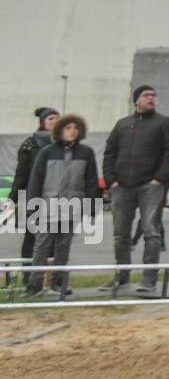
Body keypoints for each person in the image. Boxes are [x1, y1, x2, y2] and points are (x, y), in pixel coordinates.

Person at [101, 86, 169, 296]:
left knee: (151, 231)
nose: (151, 98)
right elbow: (109, 152)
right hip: (122, 186)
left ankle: (149, 279)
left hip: (150, 186)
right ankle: (122, 275)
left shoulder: (164, 123)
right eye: (146, 95)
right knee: (120, 234)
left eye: (154, 95)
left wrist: (159, 179)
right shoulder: (122, 124)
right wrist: (111, 180)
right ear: (136, 100)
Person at [25, 114, 99, 297]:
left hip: (73, 207)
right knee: (42, 245)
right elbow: (36, 180)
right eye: (68, 128)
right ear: (59, 130)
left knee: (63, 247)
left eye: (76, 128)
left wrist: (92, 207)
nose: (72, 131)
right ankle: (34, 285)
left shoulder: (86, 153)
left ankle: (57, 283)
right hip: (48, 206)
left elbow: (91, 181)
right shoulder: (47, 152)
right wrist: (32, 206)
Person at [1, 106, 59, 289]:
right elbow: (21, 174)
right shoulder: (30, 144)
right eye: (50, 119)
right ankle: (29, 278)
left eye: (57, 118)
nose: (54, 122)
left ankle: (52, 281)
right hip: (33, 197)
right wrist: (12, 199)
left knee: (55, 240)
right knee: (32, 239)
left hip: (57, 198)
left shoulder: (62, 143)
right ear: (42, 122)